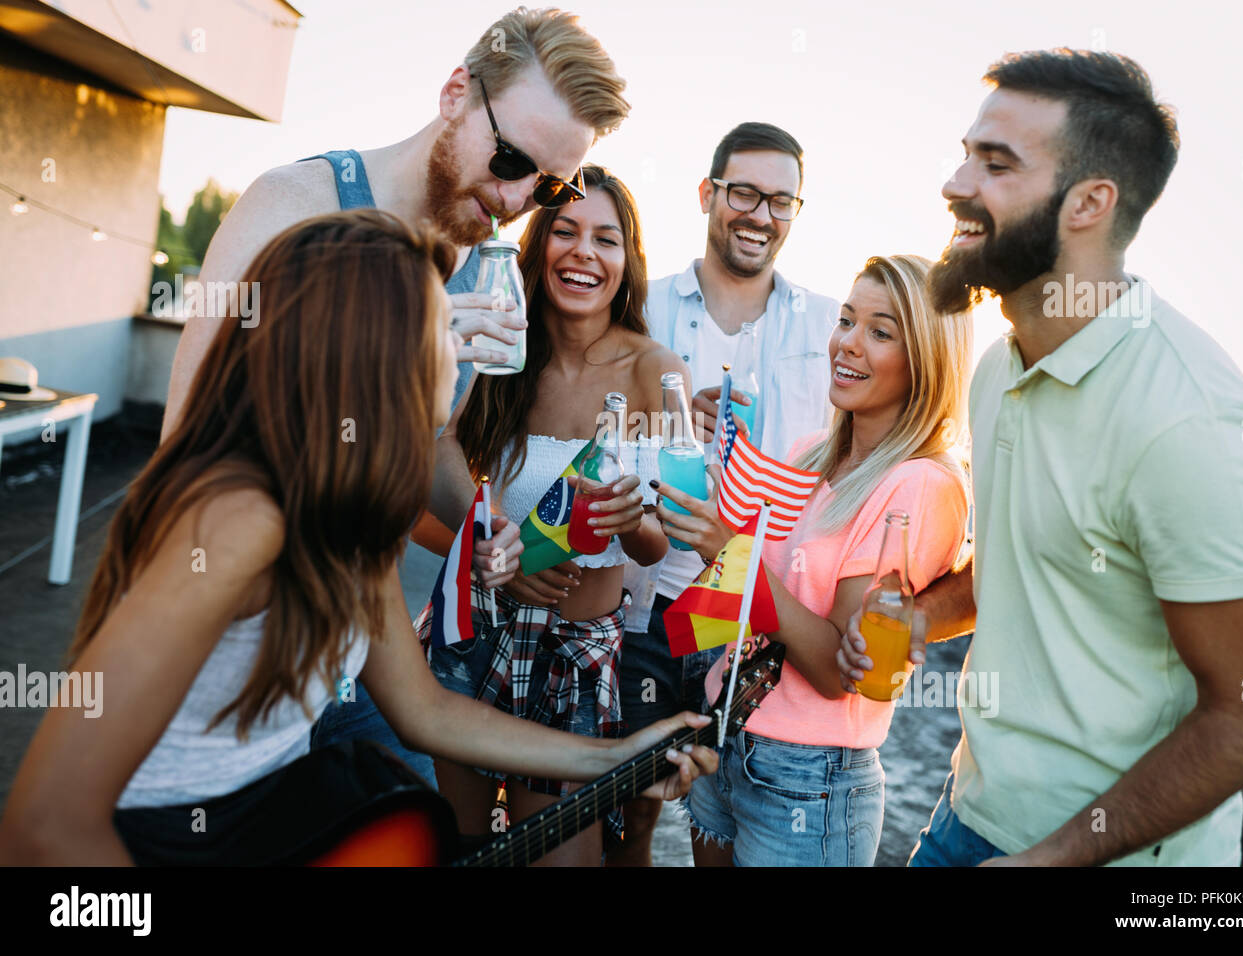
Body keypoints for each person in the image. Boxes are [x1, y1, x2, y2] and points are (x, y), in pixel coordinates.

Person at [0, 209, 716, 866]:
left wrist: (617, 756)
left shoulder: (351, 512)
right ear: (373, 349)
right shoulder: (240, 521)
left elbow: (424, 709)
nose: (460, 353)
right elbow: (44, 826)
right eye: (444, 330)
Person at [838, 49, 1243, 866]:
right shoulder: (1000, 363)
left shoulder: (1190, 424)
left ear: (1089, 202)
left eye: (996, 163)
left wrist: (1053, 857)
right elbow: (1024, 561)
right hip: (964, 818)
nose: (954, 184)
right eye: (966, 153)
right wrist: (919, 617)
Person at [160, 7, 633, 784]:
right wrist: (398, 362)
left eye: (547, 185)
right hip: (228, 663)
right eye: (510, 157)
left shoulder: (477, 262)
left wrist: (484, 526)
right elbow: (191, 445)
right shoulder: (295, 207)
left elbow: (431, 439)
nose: (517, 200)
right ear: (454, 93)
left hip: (358, 652)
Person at [655, 254, 972, 866]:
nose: (847, 344)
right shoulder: (805, 457)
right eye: (847, 321)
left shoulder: (921, 486)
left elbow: (833, 668)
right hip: (725, 733)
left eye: (880, 332)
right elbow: (740, 599)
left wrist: (729, 551)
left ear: (926, 362)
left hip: (806, 779)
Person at [428, 165, 685, 866]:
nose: (583, 253)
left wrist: (632, 519)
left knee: (561, 859)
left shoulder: (653, 370)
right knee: (463, 849)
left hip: (575, 657)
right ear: (539, 244)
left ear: (627, 261)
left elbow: (657, 547)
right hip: (474, 626)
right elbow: (437, 443)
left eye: (606, 239)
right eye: (565, 231)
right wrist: (491, 547)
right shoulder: (504, 340)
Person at [608, 122, 839, 866]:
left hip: (750, 617)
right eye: (744, 192)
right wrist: (661, 416)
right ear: (708, 194)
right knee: (631, 814)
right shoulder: (636, 304)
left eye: (782, 200)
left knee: (723, 819)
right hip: (644, 605)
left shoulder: (832, 325)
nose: (761, 215)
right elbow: (592, 417)